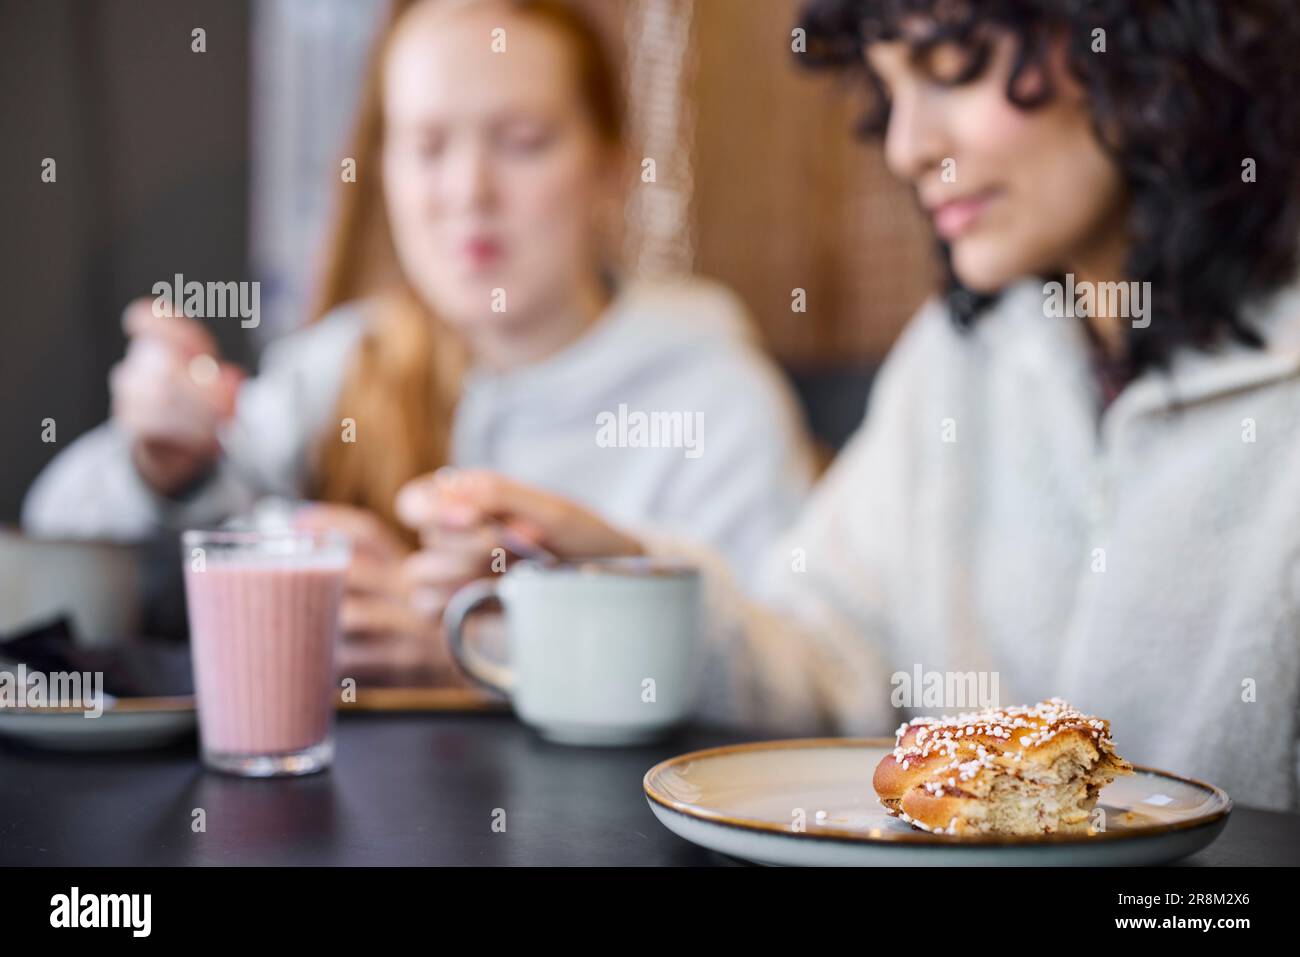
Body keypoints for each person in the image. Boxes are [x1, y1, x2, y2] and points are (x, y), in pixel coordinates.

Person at [391, 0, 1300, 810]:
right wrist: (628, 571)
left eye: (956, 66)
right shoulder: (959, 359)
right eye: (890, 85)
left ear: (1138, 40)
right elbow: (822, 669)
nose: (908, 146)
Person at [22, 0, 814, 673]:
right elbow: (54, 541)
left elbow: (797, 678)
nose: (469, 192)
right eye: (428, 146)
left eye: (523, 141)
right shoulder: (346, 361)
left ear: (612, 168)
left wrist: (486, 649)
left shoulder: (711, 393)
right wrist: (165, 466)